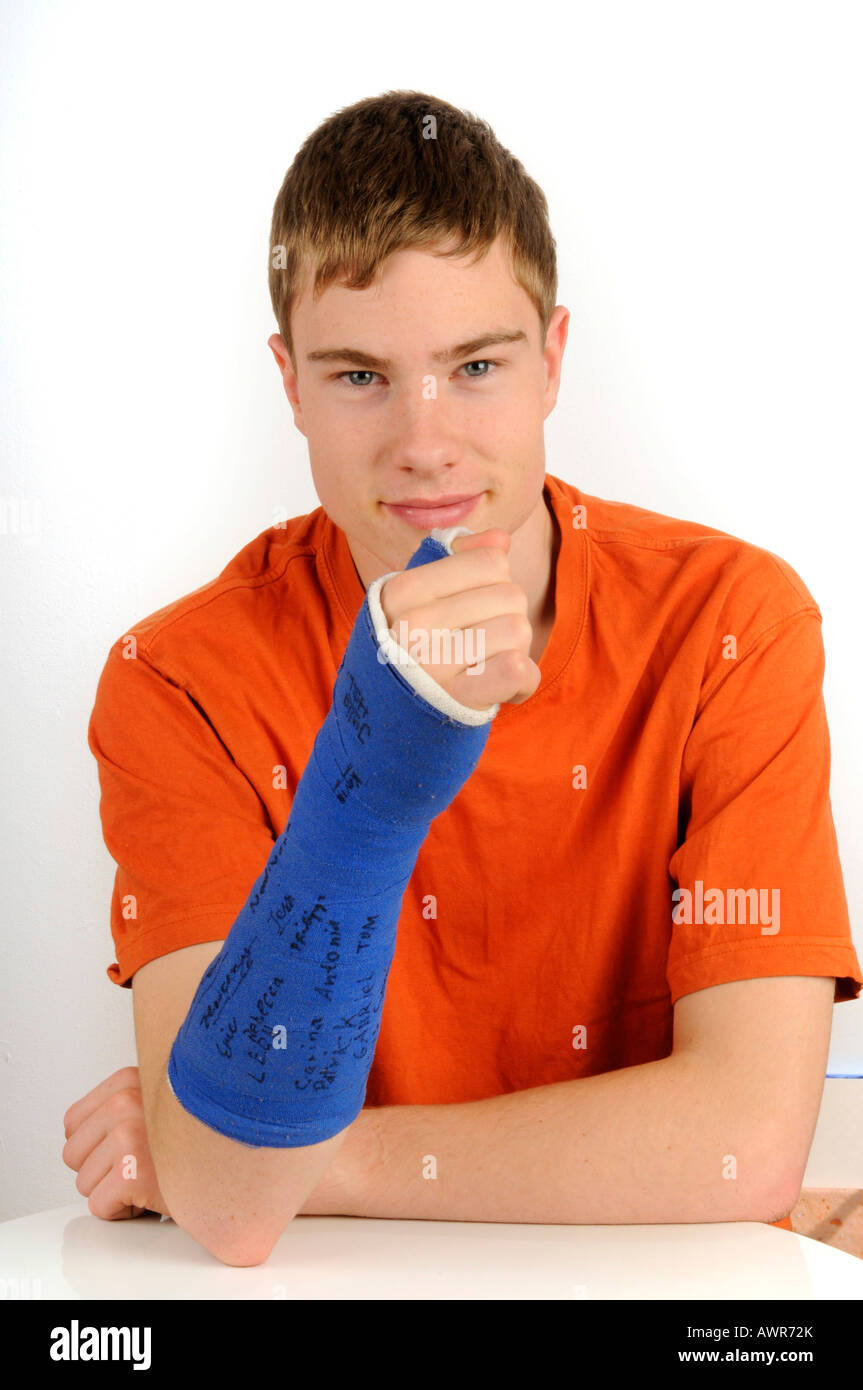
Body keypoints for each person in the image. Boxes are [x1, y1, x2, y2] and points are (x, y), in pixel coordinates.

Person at [64, 90, 861, 1267]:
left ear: (551, 359)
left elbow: (741, 1152)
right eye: (357, 376)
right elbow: (232, 1212)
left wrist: (302, 1156)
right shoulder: (178, 678)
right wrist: (371, 788)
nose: (423, 443)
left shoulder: (726, 623)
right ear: (287, 381)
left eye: (474, 365)